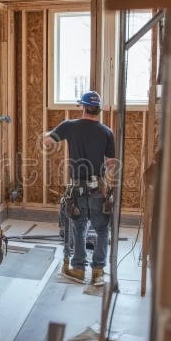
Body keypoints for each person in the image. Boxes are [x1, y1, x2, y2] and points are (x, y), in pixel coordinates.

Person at [43, 91, 116, 286]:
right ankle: (98, 272)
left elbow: (48, 141)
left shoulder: (69, 126)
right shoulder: (107, 132)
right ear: (99, 110)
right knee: (101, 230)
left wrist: (49, 133)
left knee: (79, 227)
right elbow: (110, 164)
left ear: (82, 107)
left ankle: (78, 269)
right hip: (97, 188)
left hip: (77, 189)